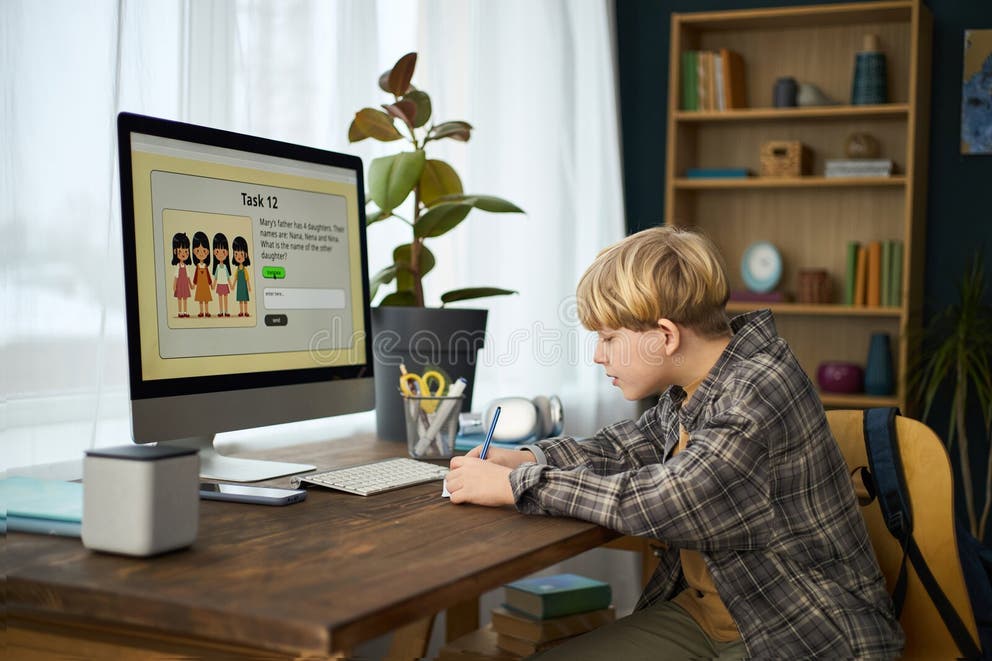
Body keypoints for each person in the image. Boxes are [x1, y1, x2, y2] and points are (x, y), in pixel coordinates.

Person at [445, 226, 903, 659]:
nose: (598, 354)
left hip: (798, 631)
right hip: (713, 618)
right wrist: (528, 456)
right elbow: (627, 447)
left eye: (608, 337)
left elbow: (668, 499)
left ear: (665, 336)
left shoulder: (759, 388)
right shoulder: (696, 387)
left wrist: (520, 485)